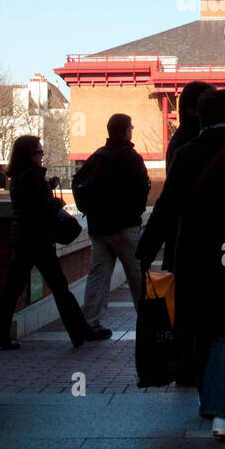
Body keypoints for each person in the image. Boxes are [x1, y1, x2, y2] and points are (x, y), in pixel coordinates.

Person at [137, 89, 225, 439]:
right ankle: (223, 415)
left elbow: (166, 206)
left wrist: (145, 251)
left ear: (202, 118)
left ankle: (209, 402)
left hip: (195, 254)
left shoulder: (186, 154)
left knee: (201, 326)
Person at [0, 134, 108, 350]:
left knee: (14, 289)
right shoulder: (30, 177)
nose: (42, 155)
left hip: (25, 239)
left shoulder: (20, 176)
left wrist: (48, 187)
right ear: (29, 154)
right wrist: (56, 203)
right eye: (38, 151)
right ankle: (80, 331)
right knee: (59, 288)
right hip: (37, 240)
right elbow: (38, 210)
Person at [71, 113, 150, 335]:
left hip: (98, 228)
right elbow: (142, 187)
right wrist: (136, 213)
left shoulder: (97, 156)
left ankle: (90, 322)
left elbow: (79, 184)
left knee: (98, 274)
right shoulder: (130, 157)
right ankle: (147, 324)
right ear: (126, 131)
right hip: (125, 226)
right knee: (137, 276)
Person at [165, 82, 216, 385]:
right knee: (195, 307)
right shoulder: (191, 144)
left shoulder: (181, 141)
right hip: (191, 237)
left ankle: (189, 367)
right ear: (194, 108)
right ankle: (192, 369)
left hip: (181, 237)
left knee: (187, 308)